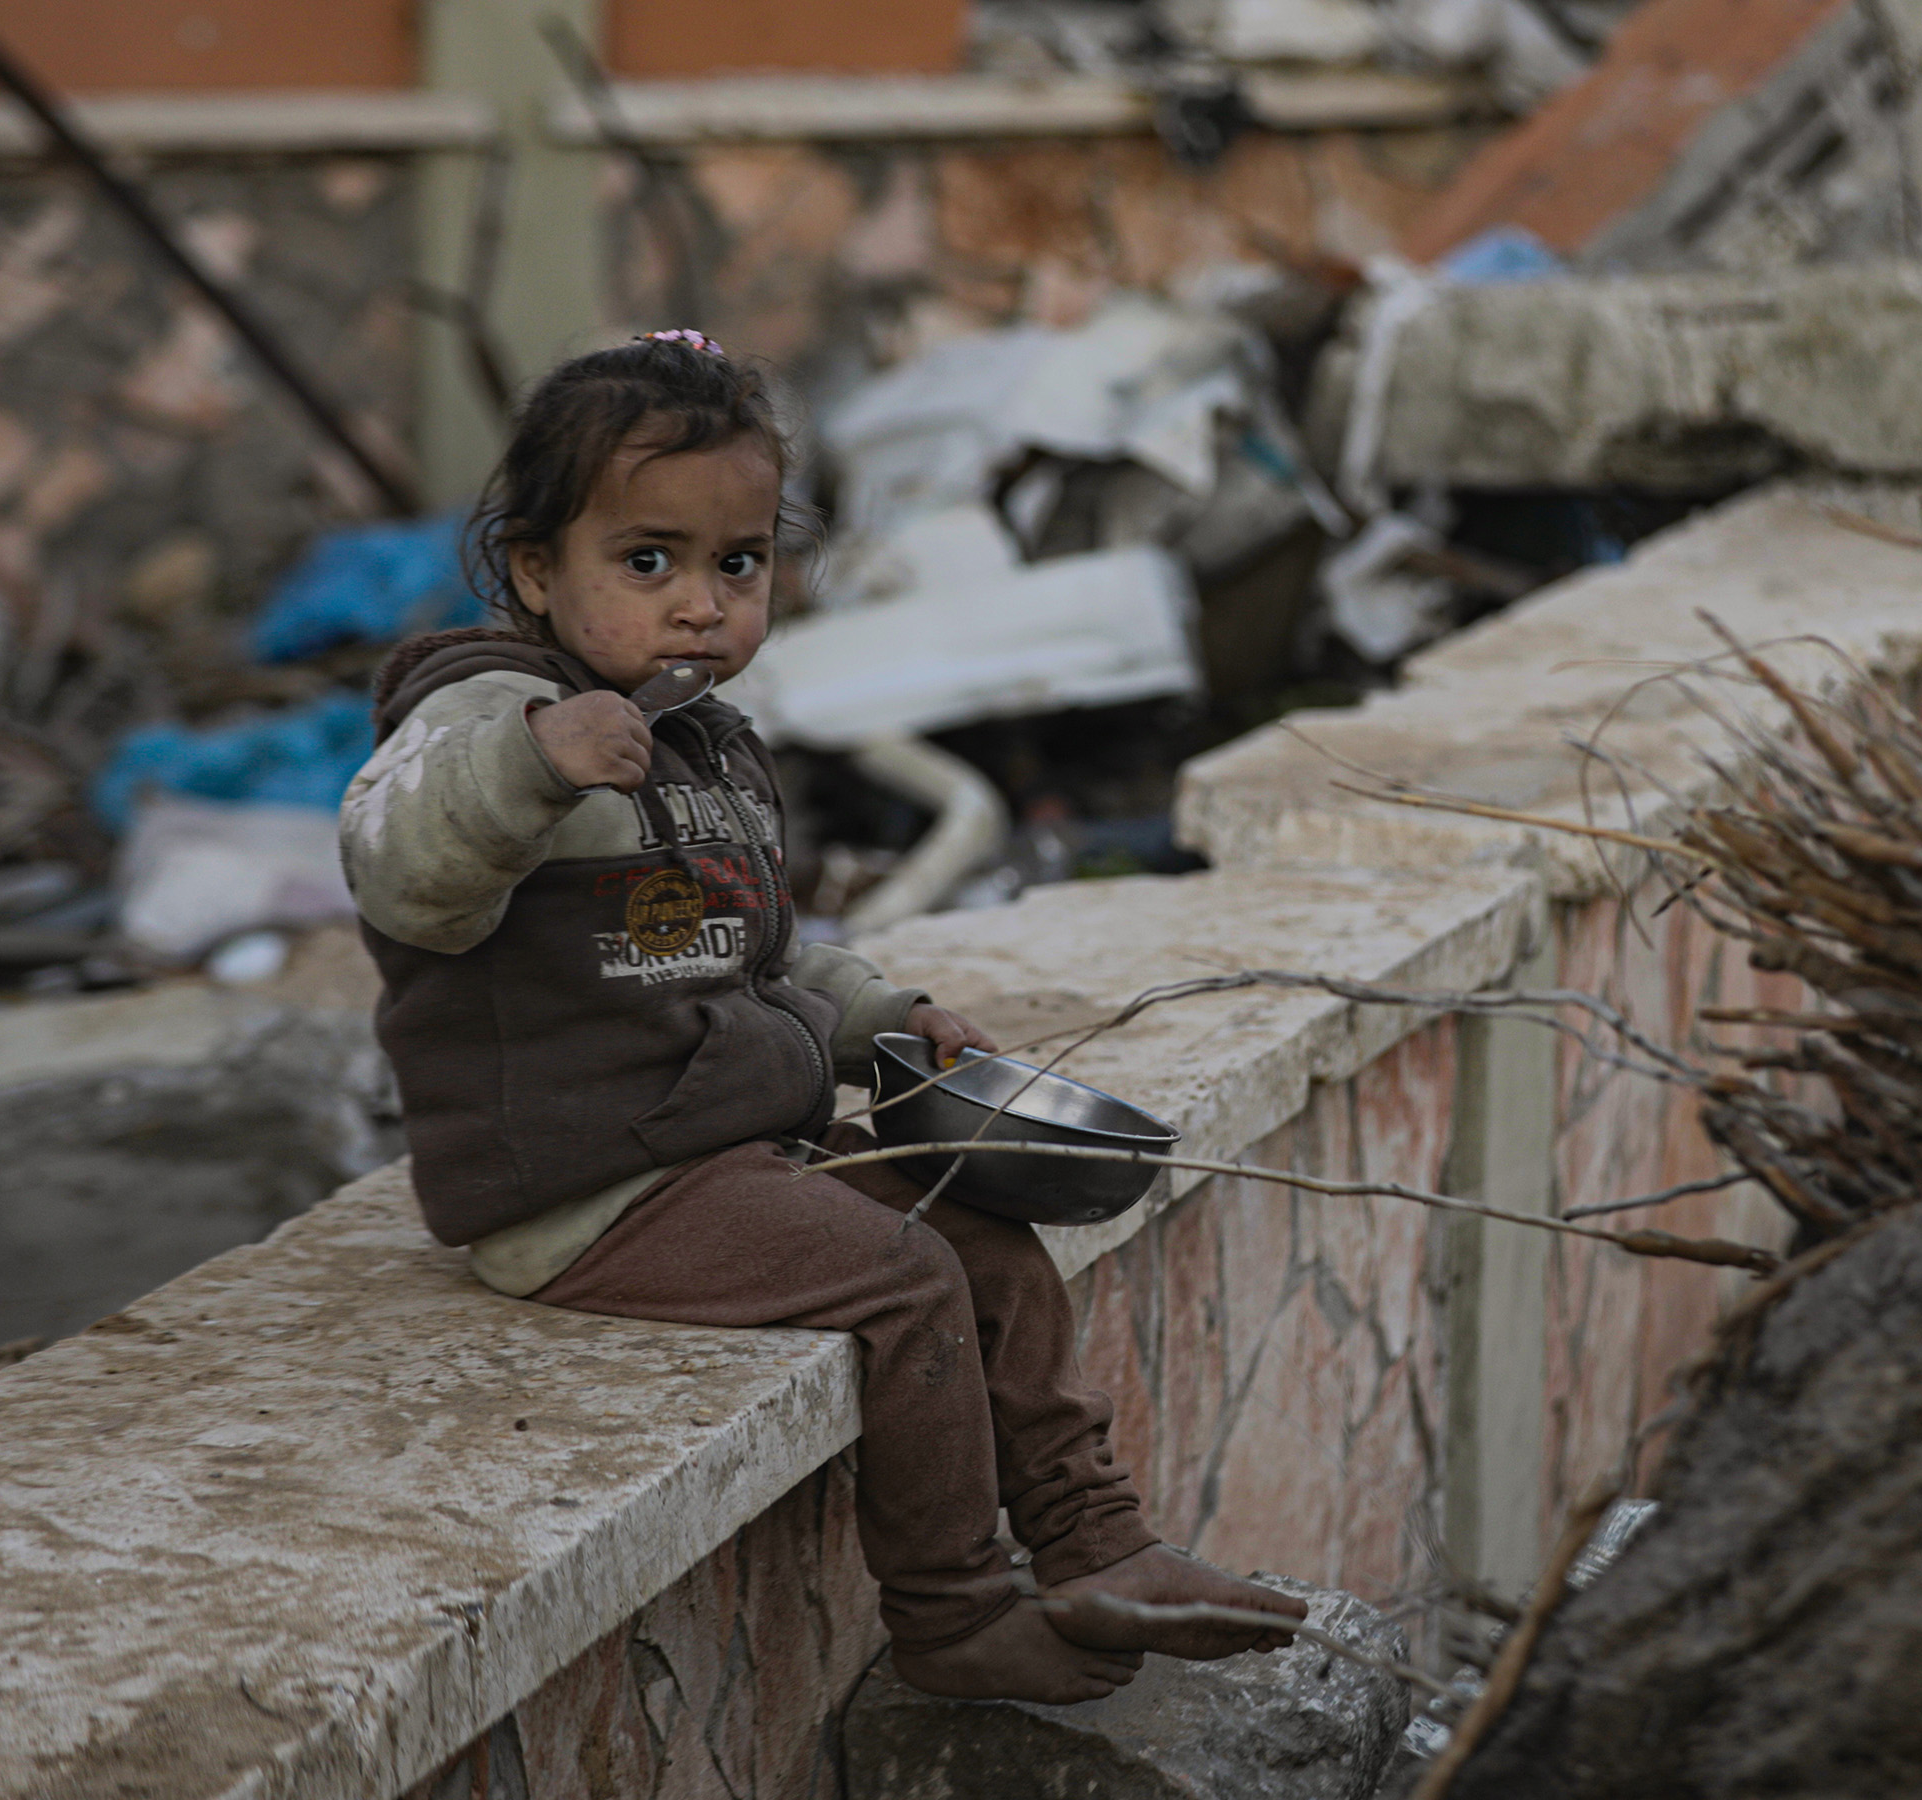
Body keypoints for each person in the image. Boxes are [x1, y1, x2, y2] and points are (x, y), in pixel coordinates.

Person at [339, 328, 1306, 1703]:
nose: (699, 604)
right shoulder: (491, 710)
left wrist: (889, 1020)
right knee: (903, 1274)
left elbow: (757, 958)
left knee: (989, 1244)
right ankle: (952, 1615)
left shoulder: (704, 746)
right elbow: (401, 873)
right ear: (537, 570)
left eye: (735, 564)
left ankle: (1098, 1542)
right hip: (588, 1188)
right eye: (647, 560)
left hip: (716, 1154)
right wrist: (531, 766)